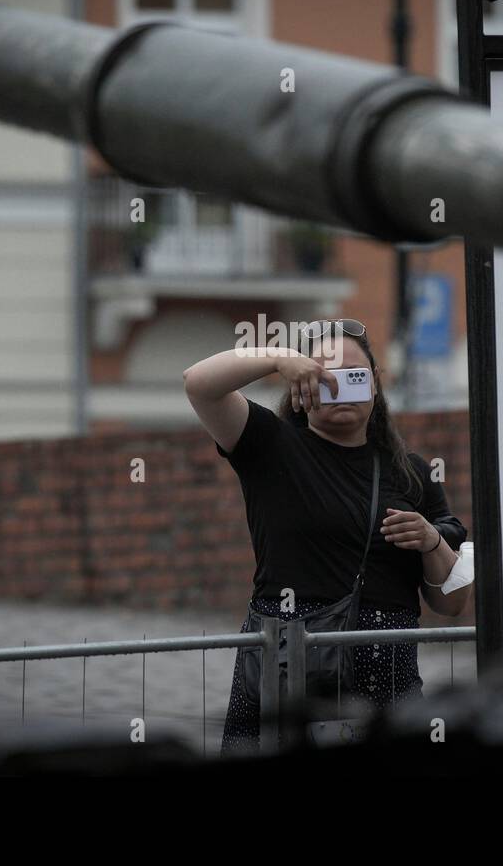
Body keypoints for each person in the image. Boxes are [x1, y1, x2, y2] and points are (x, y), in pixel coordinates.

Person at [182, 318, 470, 755]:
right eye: (323, 378)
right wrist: (278, 357)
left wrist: (432, 541)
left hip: (386, 680)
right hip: (287, 672)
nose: (339, 388)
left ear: (375, 383)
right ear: (301, 387)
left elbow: (451, 603)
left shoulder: (412, 473)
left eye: (353, 376)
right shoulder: (270, 444)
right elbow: (199, 383)